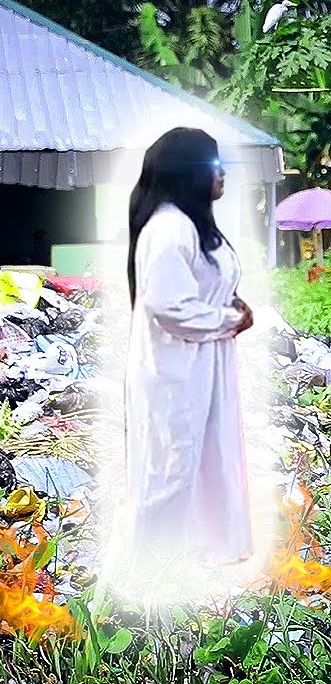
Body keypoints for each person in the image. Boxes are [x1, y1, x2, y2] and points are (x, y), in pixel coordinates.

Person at [124, 127, 255, 568]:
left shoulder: (190, 225)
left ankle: (201, 559)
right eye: (215, 166)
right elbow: (168, 305)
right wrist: (228, 318)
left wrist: (228, 304)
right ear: (189, 174)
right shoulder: (167, 227)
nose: (223, 175)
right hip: (176, 370)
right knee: (173, 467)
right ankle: (154, 572)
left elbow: (204, 284)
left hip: (205, 363)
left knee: (209, 458)